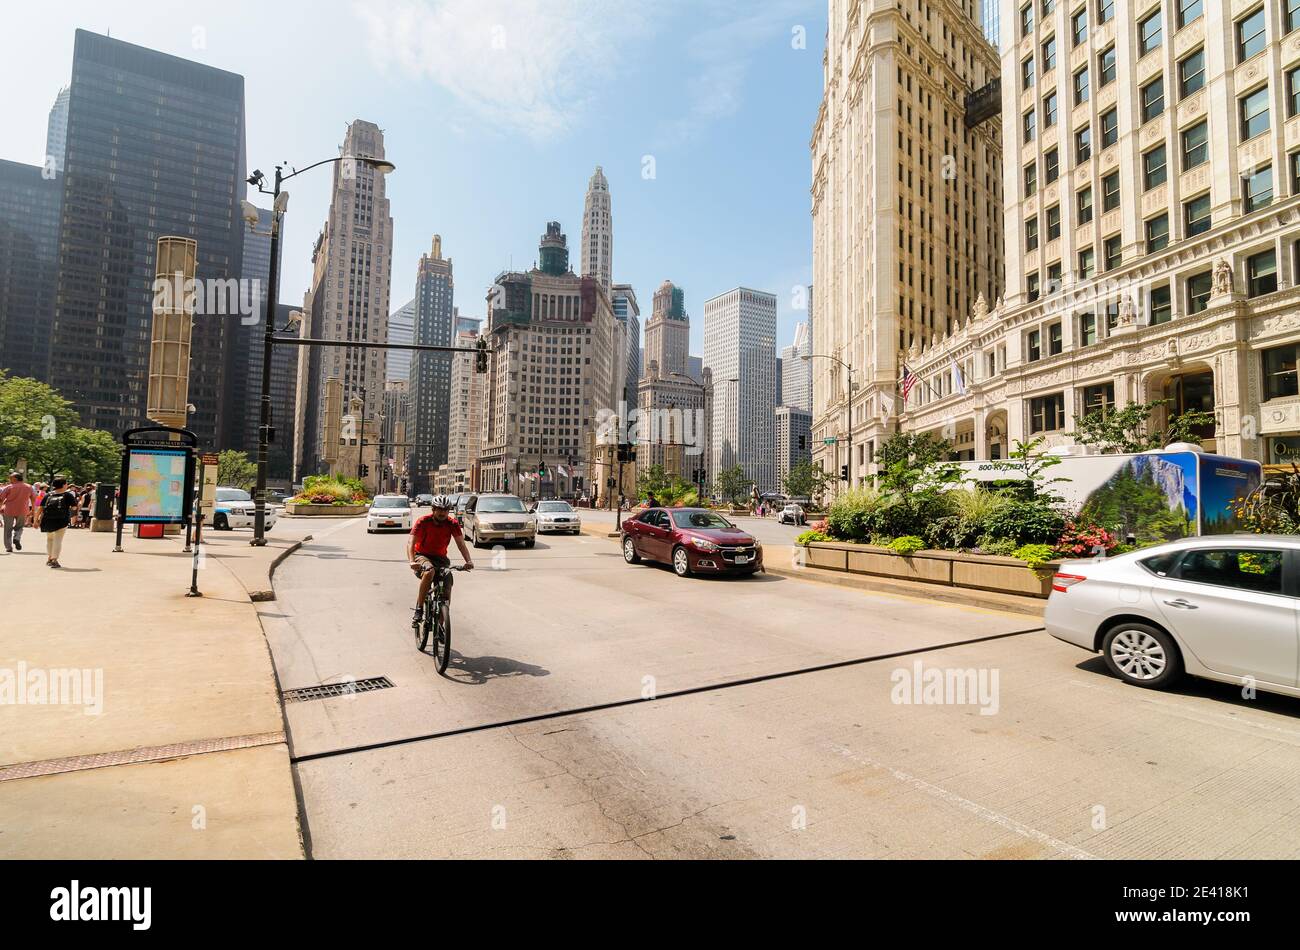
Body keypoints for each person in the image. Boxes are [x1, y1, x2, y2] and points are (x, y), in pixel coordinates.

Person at [407, 494, 474, 630]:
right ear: (433, 509)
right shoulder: (423, 522)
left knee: (447, 588)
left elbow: (461, 544)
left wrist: (468, 561)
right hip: (422, 555)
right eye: (439, 509)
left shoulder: (452, 523)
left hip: (441, 559)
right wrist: (411, 561)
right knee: (429, 571)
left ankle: (440, 625)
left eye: (445, 509)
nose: (443, 512)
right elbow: (411, 543)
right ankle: (419, 609)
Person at [40, 477, 78, 568]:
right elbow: (74, 507)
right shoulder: (68, 495)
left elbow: (41, 508)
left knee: (50, 539)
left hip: (48, 520)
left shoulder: (48, 495)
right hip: (62, 520)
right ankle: (54, 559)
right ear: (64, 485)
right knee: (58, 539)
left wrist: (36, 520)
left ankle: (49, 557)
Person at [0, 472, 36, 553]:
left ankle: (9, 547)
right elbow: (33, 499)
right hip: (23, 510)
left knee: (7, 529)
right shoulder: (29, 487)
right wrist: (33, 509)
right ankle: (17, 538)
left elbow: (1, 499)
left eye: (10, 478)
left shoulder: (9, 487)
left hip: (9, 510)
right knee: (20, 527)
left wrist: (0, 507)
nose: (9, 480)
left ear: (15, 479)